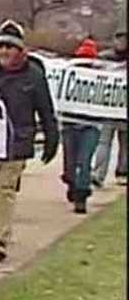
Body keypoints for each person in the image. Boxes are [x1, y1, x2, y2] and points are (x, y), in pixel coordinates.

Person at [0, 21, 58, 258]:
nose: (4, 52)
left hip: (18, 139)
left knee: (6, 188)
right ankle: (0, 226)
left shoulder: (34, 75)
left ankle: (0, 238)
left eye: (9, 48)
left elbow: (46, 109)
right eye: (0, 47)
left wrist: (52, 138)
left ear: (20, 50)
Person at [59, 39, 103, 214]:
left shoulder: (101, 79)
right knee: (70, 164)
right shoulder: (68, 76)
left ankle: (81, 196)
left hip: (91, 126)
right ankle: (73, 183)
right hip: (70, 125)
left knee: (83, 162)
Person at [91, 24, 128, 188]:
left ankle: (122, 172)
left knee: (123, 144)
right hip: (107, 107)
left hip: (122, 108)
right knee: (104, 142)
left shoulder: (104, 58)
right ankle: (99, 174)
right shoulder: (104, 58)